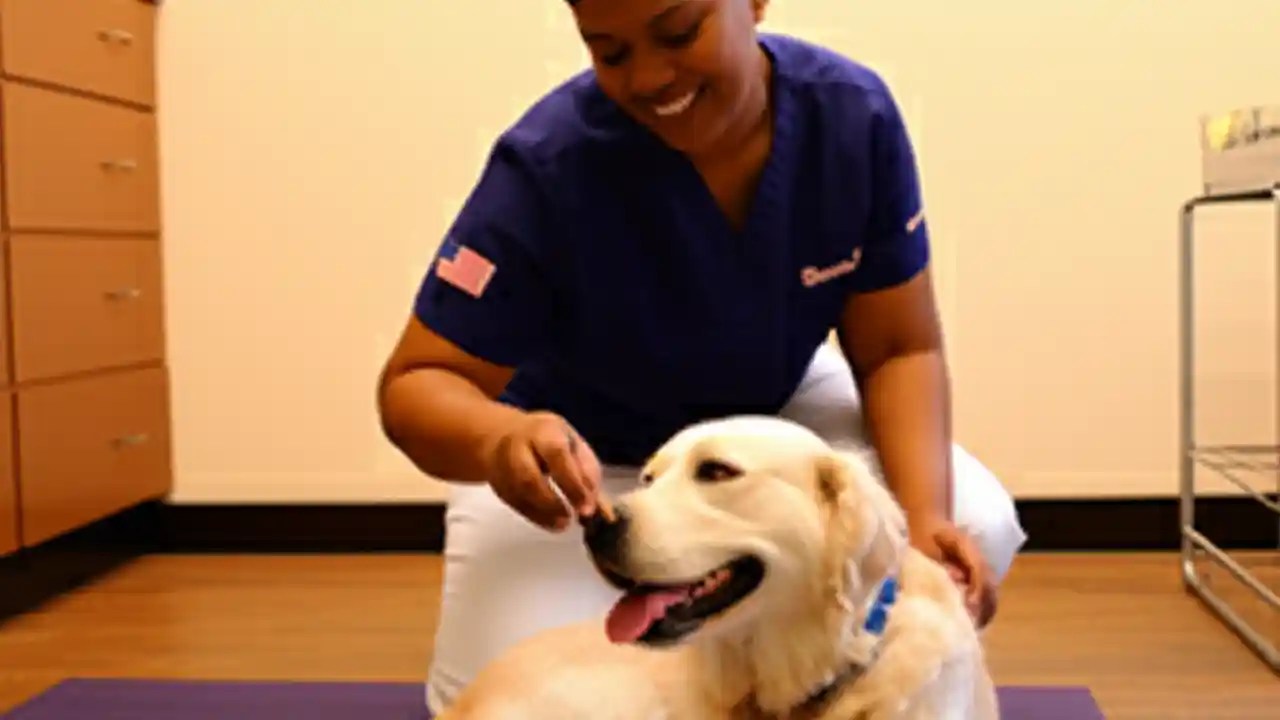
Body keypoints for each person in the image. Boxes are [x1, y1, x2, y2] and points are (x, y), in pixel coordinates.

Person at [376, 0, 1028, 713]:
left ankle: (793, 666)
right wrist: (499, 437)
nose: (652, 76)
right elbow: (416, 383)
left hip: (773, 412)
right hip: (582, 467)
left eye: (679, 32)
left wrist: (925, 515)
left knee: (975, 520)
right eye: (610, 52)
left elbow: (899, 347)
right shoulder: (548, 166)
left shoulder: (850, 118)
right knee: (485, 698)